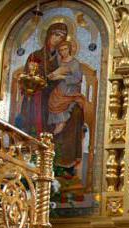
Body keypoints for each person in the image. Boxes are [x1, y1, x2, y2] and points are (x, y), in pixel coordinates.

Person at [16, 22, 68, 136]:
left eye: (61, 37)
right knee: (39, 102)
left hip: (55, 93)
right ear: (49, 35)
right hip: (38, 92)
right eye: (56, 35)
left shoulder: (63, 59)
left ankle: (59, 145)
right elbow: (27, 79)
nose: (58, 39)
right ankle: (37, 139)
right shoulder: (36, 56)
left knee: (74, 111)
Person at [47, 39, 87, 169]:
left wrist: (62, 77)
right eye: (61, 50)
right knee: (51, 101)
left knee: (67, 114)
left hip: (70, 93)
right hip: (59, 91)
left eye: (65, 49)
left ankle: (60, 127)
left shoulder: (74, 63)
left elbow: (77, 79)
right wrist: (53, 76)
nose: (63, 52)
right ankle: (53, 140)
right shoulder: (58, 61)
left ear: (70, 49)